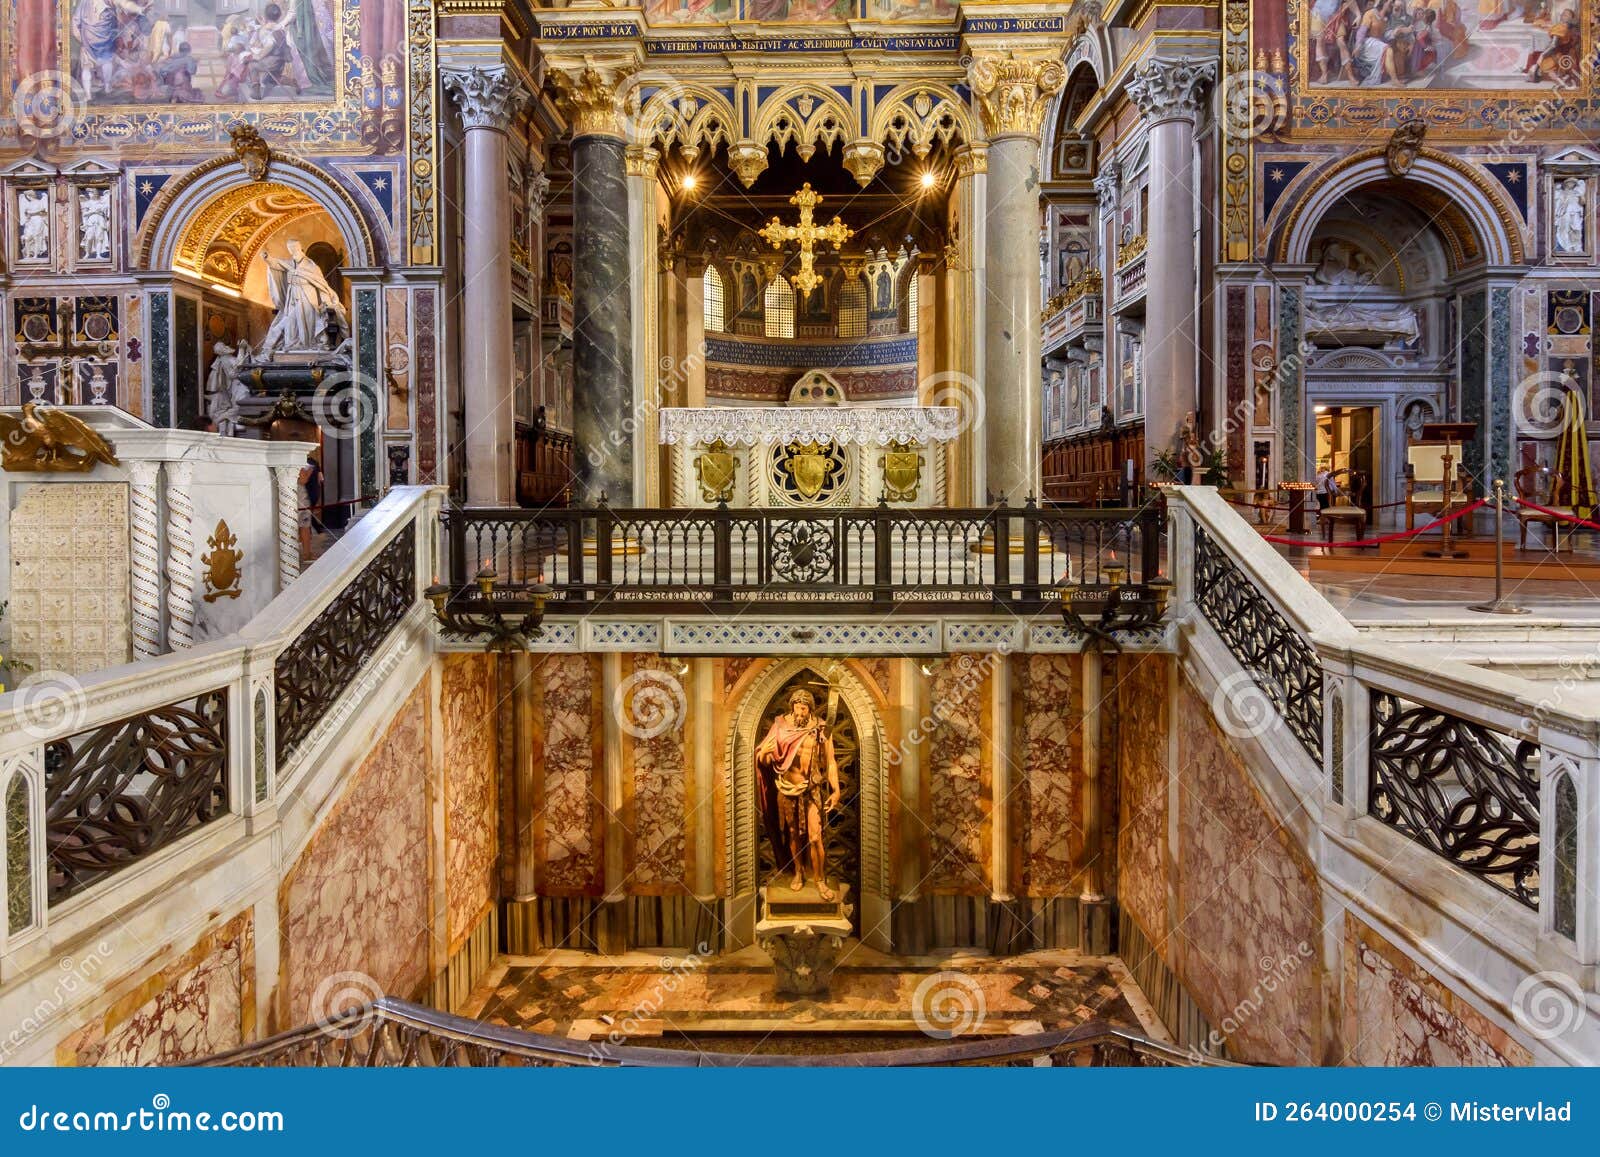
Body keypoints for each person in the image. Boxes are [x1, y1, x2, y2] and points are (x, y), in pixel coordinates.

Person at [754, 688, 841, 901]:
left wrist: (837, 790)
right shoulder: (780, 726)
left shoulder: (820, 729)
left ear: (810, 709)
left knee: (814, 837)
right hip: (785, 789)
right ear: (791, 707)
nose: (800, 713)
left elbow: (830, 761)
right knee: (792, 835)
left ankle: (819, 878)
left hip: (811, 790)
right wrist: (765, 753)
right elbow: (765, 761)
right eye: (797, 708)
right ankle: (799, 871)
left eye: (803, 709)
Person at [260, 239, 348, 355]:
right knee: (291, 322)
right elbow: (277, 264)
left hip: (307, 297)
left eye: (294, 249)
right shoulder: (290, 264)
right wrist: (267, 258)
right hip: (292, 297)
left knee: (308, 321)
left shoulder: (312, 266)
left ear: (300, 249)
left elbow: (321, 285)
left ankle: (309, 344)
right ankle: (292, 346)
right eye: (290, 249)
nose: (292, 252)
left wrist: (326, 301)